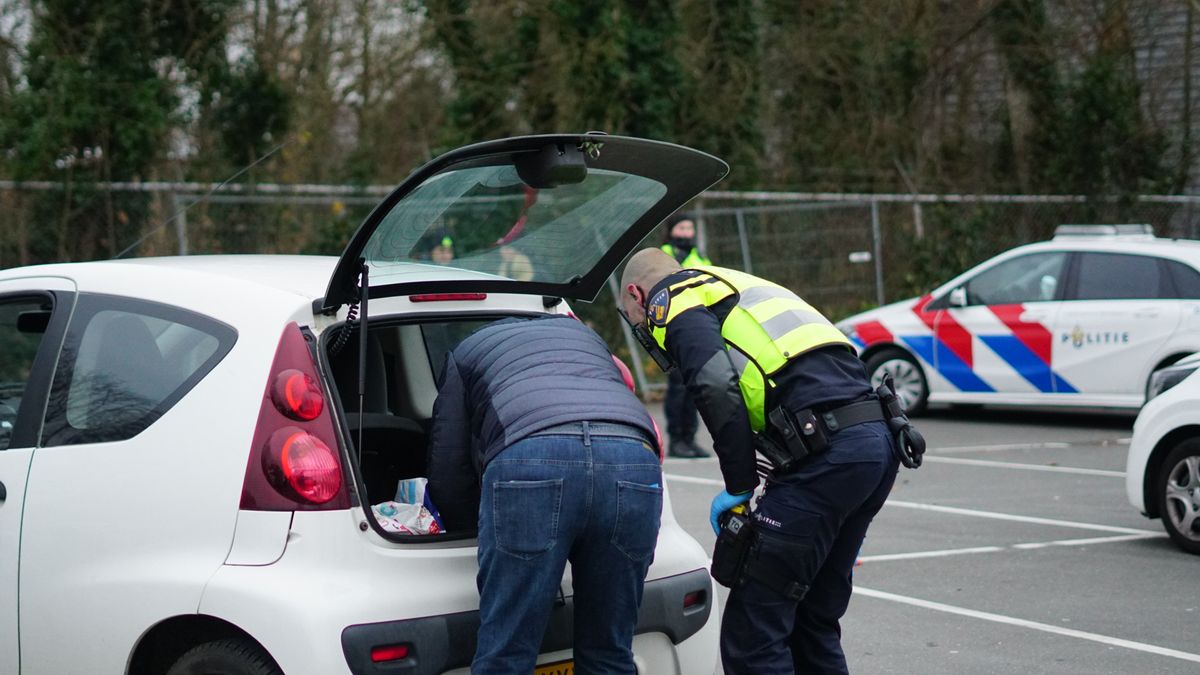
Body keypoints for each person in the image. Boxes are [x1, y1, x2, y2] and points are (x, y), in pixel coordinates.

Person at [619, 248, 900, 675]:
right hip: (875, 443)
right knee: (813, 621)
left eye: (634, 319)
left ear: (637, 295)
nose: (644, 328)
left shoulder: (674, 296)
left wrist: (738, 485)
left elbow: (714, 382)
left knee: (754, 633)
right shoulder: (734, 284)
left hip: (826, 456)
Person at [425, 314, 663, 675]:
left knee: (506, 654)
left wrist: (472, 529)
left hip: (532, 460)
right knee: (610, 652)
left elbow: (449, 463)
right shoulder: (585, 335)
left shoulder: (465, 352)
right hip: (633, 461)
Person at [659, 213, 712, 458]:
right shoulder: (664, 254)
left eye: (690, 227)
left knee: (695, 387)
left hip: (700, 325)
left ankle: (690, 438)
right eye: (682, 227)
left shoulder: (698, 255)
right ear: (671, 230)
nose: (687, 232)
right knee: (679, 387)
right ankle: (676, 438)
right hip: (674, 327)